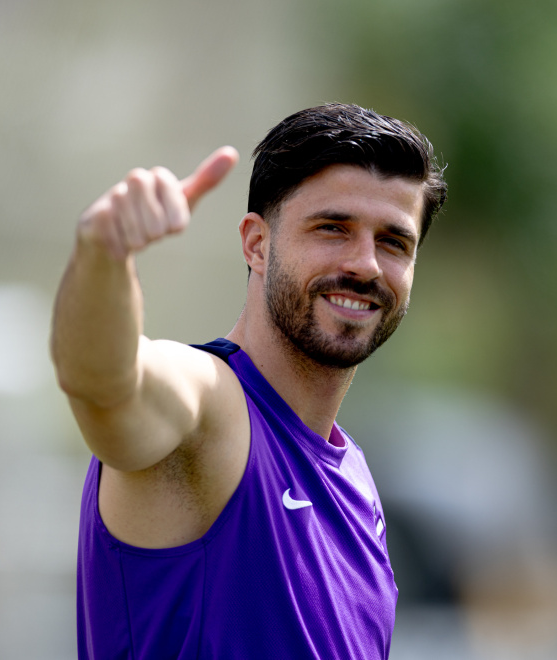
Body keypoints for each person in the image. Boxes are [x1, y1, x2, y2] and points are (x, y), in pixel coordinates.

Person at [50, 103, 447, 659]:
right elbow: (106, 385)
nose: (366, 264)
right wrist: (101, 258)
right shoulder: (212, 410)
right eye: (333, 228)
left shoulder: (353, 475)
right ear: (257, 244)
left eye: (393, 242)